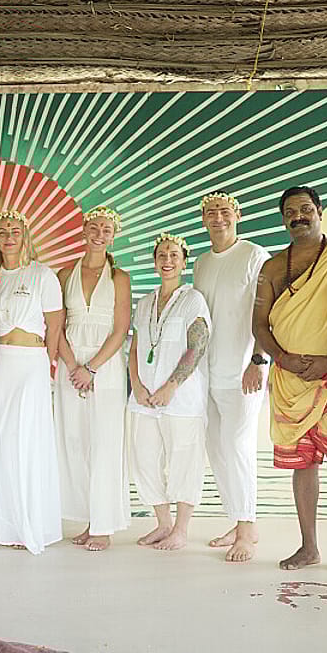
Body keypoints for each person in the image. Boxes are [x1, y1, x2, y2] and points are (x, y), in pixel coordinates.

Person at [252, 186, 327, 575]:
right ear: (283, 217)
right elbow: (259, 323)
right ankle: (309, 547)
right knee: (304, 465)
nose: (298, 216)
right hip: (289, 379)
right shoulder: (271, 267)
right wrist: (281, 358)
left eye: (306, 209)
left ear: (320, 212)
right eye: (290, 211)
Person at [192, 192, 270, 563]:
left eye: (224, 211)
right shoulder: (202, 262)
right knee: (217, 449)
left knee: (237, 447)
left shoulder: (254, 256)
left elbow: (267, 312)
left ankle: (247, 527)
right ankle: (238, 519)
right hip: (206, 371)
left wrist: (259, 359)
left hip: (243, 369)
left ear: (237, 214)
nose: (218, 218)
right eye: (211, 213)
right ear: (204, 219)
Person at [54, 206, 132, 552]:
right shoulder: (64, 273)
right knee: (75, 443)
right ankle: (87, 519)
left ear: (113, 236)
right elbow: (55, 326)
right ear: (84, 230)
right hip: (70, 367)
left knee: (104, 444)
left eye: (107, 230)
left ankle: (104, 525)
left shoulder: (120, 278)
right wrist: (73, 365)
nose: (100, 235)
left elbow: (120, 330)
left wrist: (92, 368)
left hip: (106, 367)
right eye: (95, 228)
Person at [129, 233, 212, 552]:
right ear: (154, 261)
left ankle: (181, 529)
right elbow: (136, 345)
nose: (167, 260)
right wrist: (135, 384)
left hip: (180, 399)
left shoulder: (193, 300)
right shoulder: (145, 301)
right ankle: (162, 523)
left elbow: (197, 347)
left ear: (183, 261)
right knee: (144, 459)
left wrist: (170, 386)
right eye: (162, 255)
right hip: (143, 398)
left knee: (184, 460)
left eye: (173, 255)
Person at [0, 209, 64, 554]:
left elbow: (55, 325)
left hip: (31, 364)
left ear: (25, 236)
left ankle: (32, 523)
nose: (8, 237)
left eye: (14, 231)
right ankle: (6, 524)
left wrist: (46, 365)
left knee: (29, 442)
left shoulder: (42, 275)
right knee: (2, 443)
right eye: (2, 231)